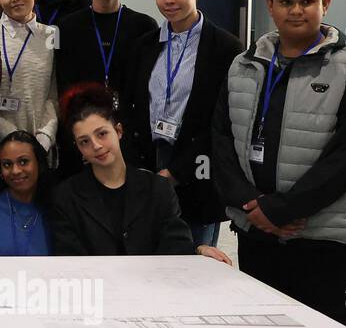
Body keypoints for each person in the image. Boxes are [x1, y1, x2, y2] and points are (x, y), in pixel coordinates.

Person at [211, 0, 346, 328]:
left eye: (307, 0)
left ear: (326, 4)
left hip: (322, 236)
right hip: (256, 231)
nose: (296, 10)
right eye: (286, 1)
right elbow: (222, 140)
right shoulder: (244, 65)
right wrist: (251, 205)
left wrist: (281, 210)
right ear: (270, 5)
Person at [125, 0, 243, 249]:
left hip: (195, 169)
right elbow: (130, 109)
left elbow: (222, 121)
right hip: (147, 164)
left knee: (192, 262)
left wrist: (177, 173)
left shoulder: (226, 48)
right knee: (145, 256)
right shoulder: (143, 45)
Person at [52, 84, 232, 261]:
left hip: (153, 286)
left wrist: (198, 252)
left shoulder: (158, 189)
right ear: (78, 148)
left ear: (118, 131)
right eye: (85, 141)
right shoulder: (67, 197)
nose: (96, 146)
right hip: (99, 288)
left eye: (102, 134)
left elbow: (176, 248)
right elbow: (71, 263)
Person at [54, 0, 158, 178]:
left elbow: (146, 87)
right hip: (80, 130)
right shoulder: (67, 26)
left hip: (128, 134)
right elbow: (62, 84)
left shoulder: (144, 27)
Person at [0, 0, 59, 156]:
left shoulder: (51, 34)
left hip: (40, 146)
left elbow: (54, 93)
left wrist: (44, 137)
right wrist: (12, 137)